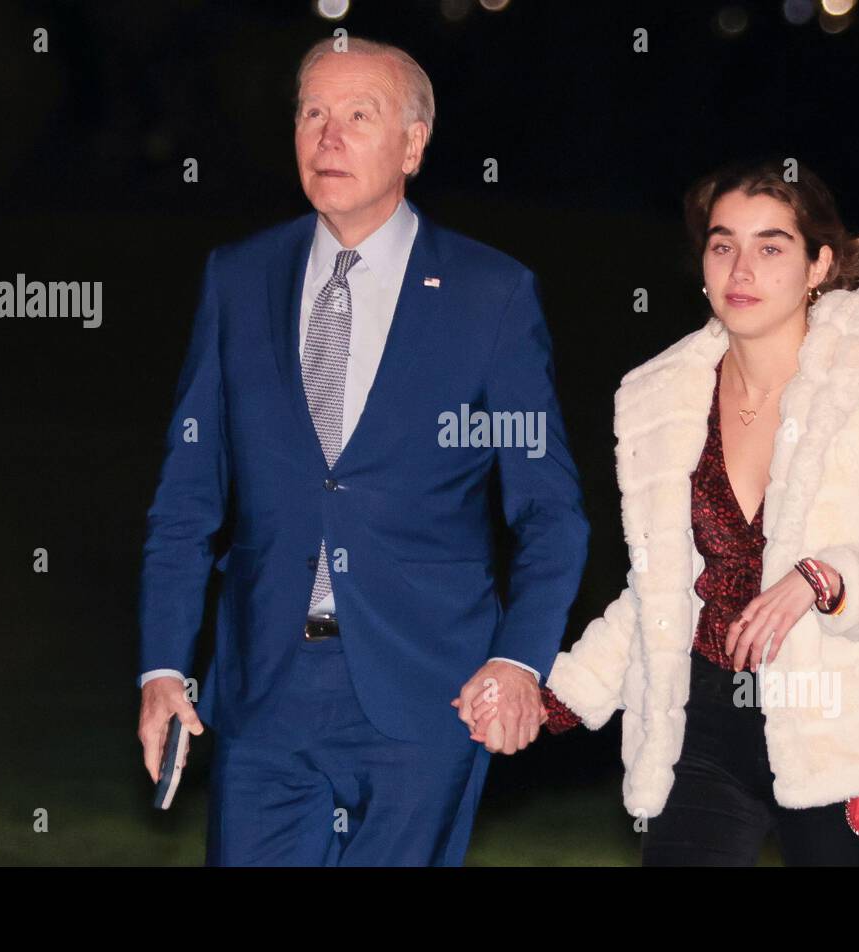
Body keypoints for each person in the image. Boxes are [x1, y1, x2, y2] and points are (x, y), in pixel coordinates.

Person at [136, 36, 588, 866]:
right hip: (263, 690)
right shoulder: (237, 279)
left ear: (413, 144)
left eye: (358, 115)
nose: (328, 136)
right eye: (313, 113)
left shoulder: (491, 295)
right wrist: (163, 665)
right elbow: (187, 495)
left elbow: (550, 510)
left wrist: (519, 661)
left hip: (428, 693)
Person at [468, 158, 859, 866]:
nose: (742, 268)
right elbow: (660, 592)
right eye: (722, 244)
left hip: (840, 725)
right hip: (702, 725)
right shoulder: (662, 403)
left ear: (818, 266)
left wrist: (825, 580)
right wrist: (551, 698)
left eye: (772, 247)